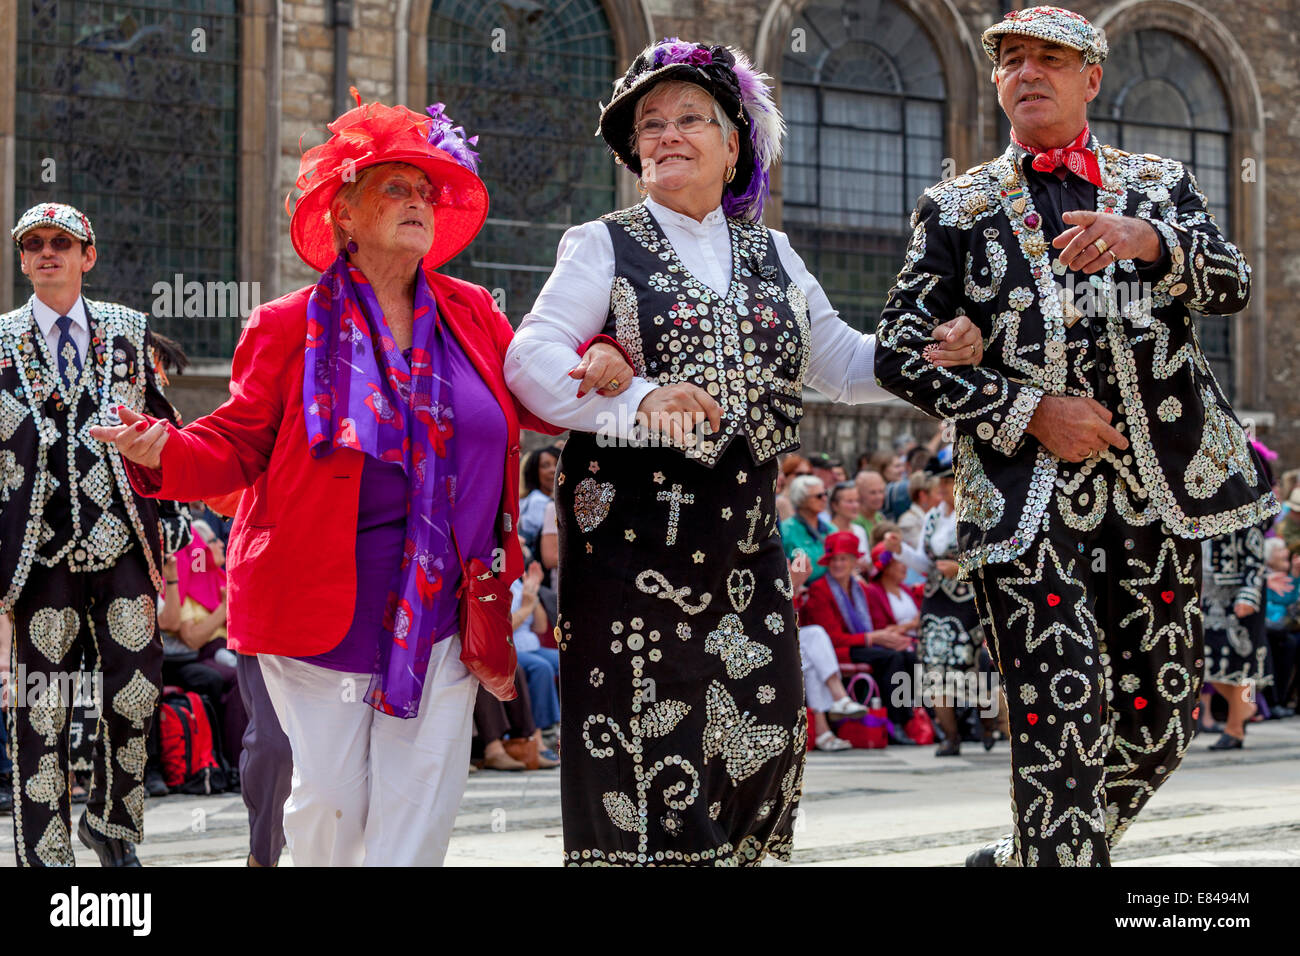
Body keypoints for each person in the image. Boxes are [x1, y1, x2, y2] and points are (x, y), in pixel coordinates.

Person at [93, 94, 631, 866]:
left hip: (448, 599)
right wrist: (161, 449)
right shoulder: (287, 324)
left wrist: (607, 348)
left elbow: (540, 384)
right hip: (317, 601)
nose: (418, 203)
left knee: (423, 800)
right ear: (342, 213)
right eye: (395, 189)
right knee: (332, 800)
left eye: (426, 193)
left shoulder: (473, 313)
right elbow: (238, 444)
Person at [503, 38, 984, 866]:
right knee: (650, 743)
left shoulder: (774, 253)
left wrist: (935, 353)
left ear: (736, 146)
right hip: (633, 549)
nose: (667, 134)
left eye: (691, 118)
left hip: (744, 545)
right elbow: (531, 361)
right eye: (649, 124)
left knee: (761, 734)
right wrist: (638, 401)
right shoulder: (602, 244)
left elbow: (838, 362)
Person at [872, 6, 1276, 867]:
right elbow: (898, 352)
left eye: (1050, 59)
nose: (1028, 73)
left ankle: (1028, 862)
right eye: (1012, 59)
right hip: (1027, 506)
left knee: (1160, 724)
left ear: (1091, 79)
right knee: (1064, 716)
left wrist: (1151, 241)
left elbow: (1234, 283)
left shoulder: (1159, 184)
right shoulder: (958, 205)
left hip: (1162, 497)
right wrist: (1025, 410)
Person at [1, 202, 192, 867]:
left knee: (135, 692)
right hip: (35, 551)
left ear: (89, 255)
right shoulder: (0, 338)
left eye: (62, 242)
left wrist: (171, 500)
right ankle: (47, 854)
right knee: (41, 706)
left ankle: (112, 826)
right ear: (22, 258)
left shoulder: (127, 329)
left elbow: (165, 427)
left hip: (121, 544)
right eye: (33, 244)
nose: (47, 252)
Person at [895, 460, 993, 755]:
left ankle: (988, 722)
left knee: (969, 666)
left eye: (948, 482)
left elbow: (990, 558)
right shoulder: (934, 516)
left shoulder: (978, 513)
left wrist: (960, 568)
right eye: (941, 483)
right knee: (935, 668)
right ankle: (950, 736)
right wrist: (899, 551)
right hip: (935, 601)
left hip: (966, 601)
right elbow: (927, 564)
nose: (943, 488)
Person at [801, 533, 917, 745]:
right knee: (892, 658)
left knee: (908, 655)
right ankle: (895, 723)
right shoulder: (820, 589)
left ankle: (911, 719)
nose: (838, 564)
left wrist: (888, 636)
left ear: (854, 562)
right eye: (834, 559)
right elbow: (833, 638)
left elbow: (874, 626)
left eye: (843, 559)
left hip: (857, 644)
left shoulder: (860, 588)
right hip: (837, 649)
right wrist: (874, 638)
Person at [1200, 527, 1271, 749]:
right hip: (1211, 593)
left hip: (1241, 596)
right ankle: (1245, 707)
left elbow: (1256, 559)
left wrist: (1249, 595)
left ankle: (1235, 728)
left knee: (1244, 663)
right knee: (1209, 661)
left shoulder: (1247, 513)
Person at [510, 560, 561, 734]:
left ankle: (574, 716)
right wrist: (526, 607)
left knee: (565, 661)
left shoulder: (518, 581)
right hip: (510, 647)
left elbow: (540, 627)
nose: (523, 541)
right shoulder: (499, 583)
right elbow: (504, 628)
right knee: (541, 667)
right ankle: (543, 728)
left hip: (531, 645)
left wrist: (534, 593)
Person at [782, 475, 835, 583]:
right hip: (801, 592)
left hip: (829, 591)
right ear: (801, 499)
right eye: (819, 496)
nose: (824, 499)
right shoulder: (786, 530)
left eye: (826, 494)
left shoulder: (831, 529)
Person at [518, 445, 560, 553]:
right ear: (534, 472)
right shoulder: (539, 501)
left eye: (558, 464)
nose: (553, 470)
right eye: (545, 465)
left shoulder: (529, 499)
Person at [828, 480, 870, 562]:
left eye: (857, 501)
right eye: (849, 501)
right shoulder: (826, 532)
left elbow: (867, 562)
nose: (855, 506)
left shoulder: (860, 531)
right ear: (834, 505)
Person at [896, 470, 937, 550]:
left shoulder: (939, 515)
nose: (941, 498)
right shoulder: (908, 522)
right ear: (923, 496)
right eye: (938, 493)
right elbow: (925, 552)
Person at [853, 470, 887, 539]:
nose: (879, 497)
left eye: (881, 491)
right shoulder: (855, 521)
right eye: (872, 492)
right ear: (859, 494)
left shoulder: (880, 517)